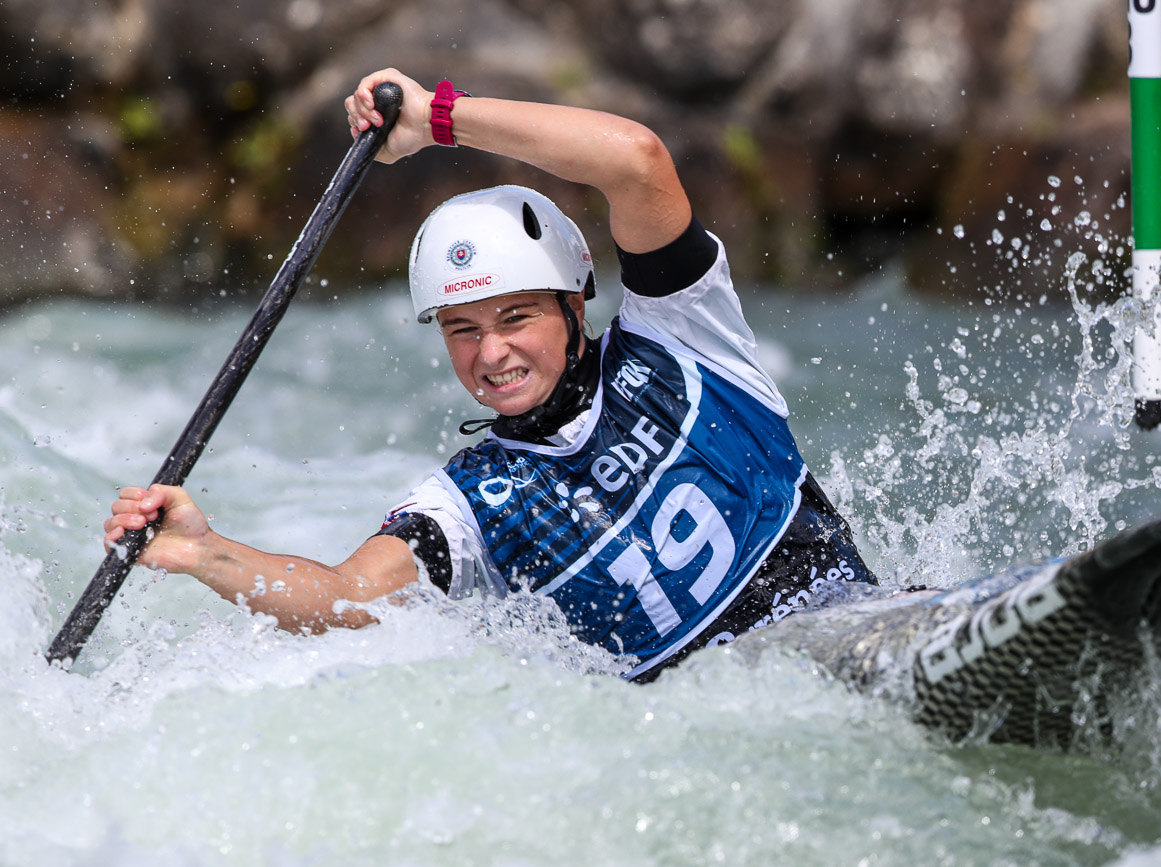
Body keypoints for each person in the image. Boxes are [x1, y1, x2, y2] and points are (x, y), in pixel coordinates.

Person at [104, 68, 875, 681]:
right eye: (462, 330)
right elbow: (346, 597)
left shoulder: (683, 337)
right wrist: (208, 552)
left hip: (857, 626)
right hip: (748, 724)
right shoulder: (473, 503)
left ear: (576, 303)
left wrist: (439, 118)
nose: (490, 353)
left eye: (515, 319)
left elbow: (636, 160)